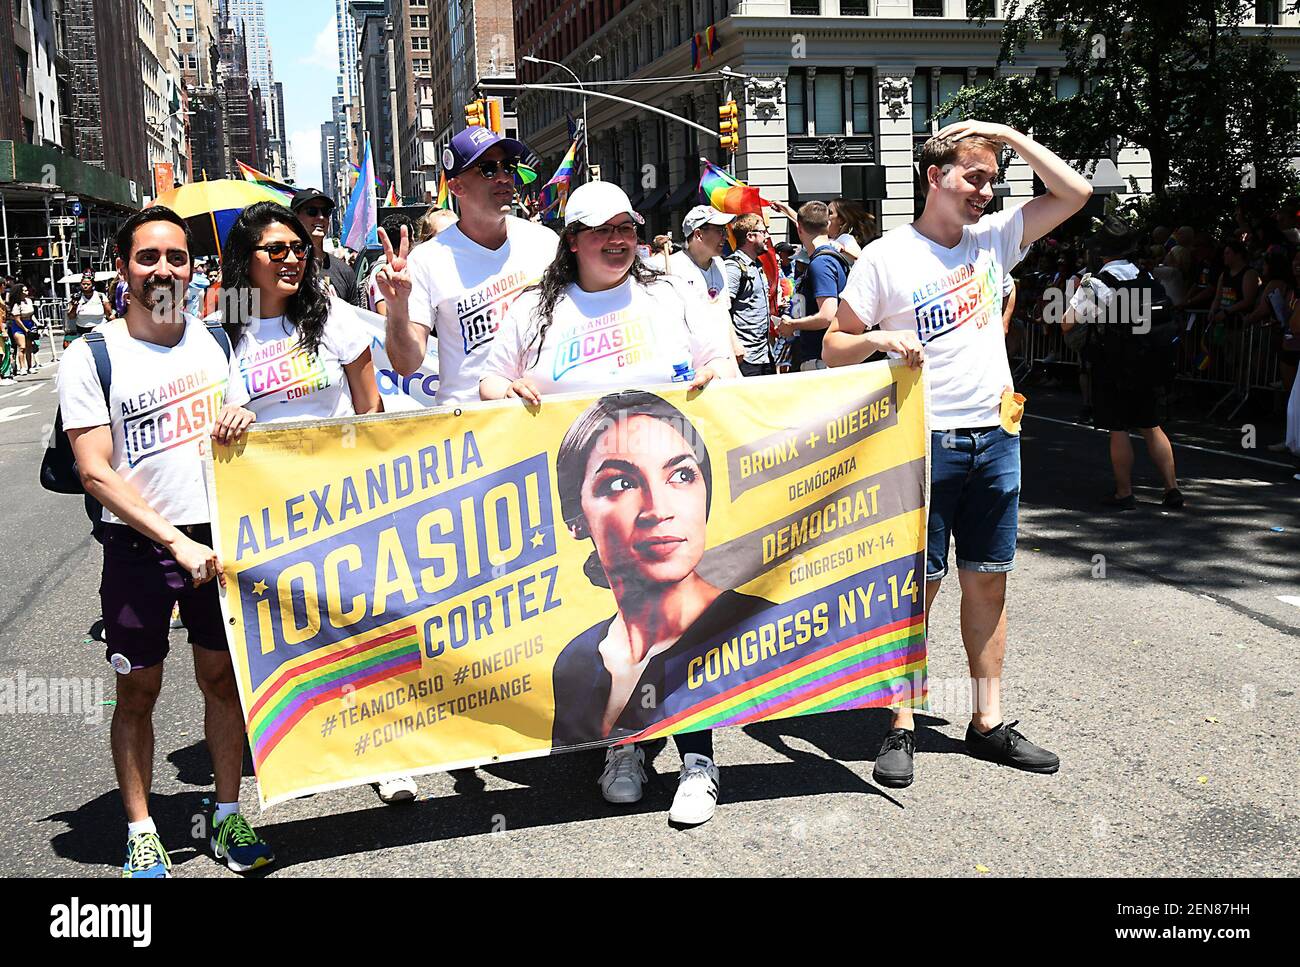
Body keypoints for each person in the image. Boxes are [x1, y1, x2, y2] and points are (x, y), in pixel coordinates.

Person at [824, 120, 1093, 788]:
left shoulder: (995, 237)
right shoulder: (888, 257)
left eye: (993, 181)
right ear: (934, 176)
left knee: (989, 578)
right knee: (920, 589)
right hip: (922, 441)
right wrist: (881, 341)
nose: (986, 190)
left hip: (997, 437)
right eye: (975, 176)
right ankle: (900, 722)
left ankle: (986, 722)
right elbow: (833, 343)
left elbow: (1077, 190)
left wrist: (1005, 135)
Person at [475, 180, 733, 825]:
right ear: (574, 241)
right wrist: (501, 393)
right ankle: (626, 747)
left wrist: (714, 374)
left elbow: (723, 360)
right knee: (626, 631)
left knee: (687, 623)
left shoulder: (670, 293)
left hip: (671, 478)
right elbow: (484, 378)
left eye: (627, 227)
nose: (618, 241)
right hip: (604, 497)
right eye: (601, 230)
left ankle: (700, 761)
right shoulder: (538, 309)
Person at [58, 206, 273, 877]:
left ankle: (227, 814)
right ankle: (143, 827)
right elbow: (95, 470)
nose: (164, 270)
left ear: (192, 267)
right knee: (137, 694)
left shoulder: (216, 342)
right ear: (123, 267)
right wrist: (174, 541)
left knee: (221, 681)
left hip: (220, 540)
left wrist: (243, 414)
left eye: (176, 257)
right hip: (140, 550)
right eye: (148, 257)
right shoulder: (89, 354)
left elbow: (245, 432)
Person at [221, 202, 411, 803]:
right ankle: (305, 749)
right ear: (243, 261)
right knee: (286, 629)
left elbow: (369, 405)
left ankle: (383, 751)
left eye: (299, 248)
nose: (292, 259)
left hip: (339, 497)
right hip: (262, 507)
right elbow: (192, 390)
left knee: (361, 620)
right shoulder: (227, 319)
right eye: (276, 250)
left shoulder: (328, 315)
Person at [548, 392, 772, 794]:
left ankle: (698, 763)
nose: (657, 509)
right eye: (620, 483)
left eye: (681, 476)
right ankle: (622, 750)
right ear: (575, 517)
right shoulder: (575, 662)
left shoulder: (759, 622)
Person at [380, 126, 557, 403]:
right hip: (469, 428)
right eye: (488, 169)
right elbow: (407, 364)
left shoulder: (545, 242)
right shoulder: (427, 260)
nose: (503, 178)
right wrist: (397, 308)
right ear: (456, 186)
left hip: (542, 414)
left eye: (508, 167)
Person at [1063, 219, 1183, 510]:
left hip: (1114, 364)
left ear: (1101, 253)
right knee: (1151, 425)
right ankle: (1172, 489)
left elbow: (1067, 323)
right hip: (1149, 361)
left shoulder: (1096, 282)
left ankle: (1124, 492)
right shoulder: (1147, 277)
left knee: (1118, 429)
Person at [663, 206, 743, 373]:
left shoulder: (720, 264)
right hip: (695, 367)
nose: (726, 237)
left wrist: (735, 343)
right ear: (698, 234)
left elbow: (723, 309)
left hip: (725, 362)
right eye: (720, 231)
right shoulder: (671, 268)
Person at [778, 202, 852, 372]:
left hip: (820, 361)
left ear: (799, 230)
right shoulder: (832, 257)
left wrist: (793, 324)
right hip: (827, 358)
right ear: (827, 224)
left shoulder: (821, 263)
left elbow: (827, 315)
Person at [723, 213, 778, 376]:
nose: (767, 236)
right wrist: (734, 345)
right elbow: (722, 309)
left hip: (765, 355)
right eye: (763, 231)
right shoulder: (734, 267)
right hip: (746, 358)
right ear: (750, 236)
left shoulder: (757, 265)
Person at [291, 189, 360, 305]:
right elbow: (251, 314)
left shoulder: (345, 271)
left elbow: (355, 319)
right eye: (312, 211)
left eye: (325, 212)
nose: (321, 217)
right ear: (295, 217)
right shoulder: (281, 266)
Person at [366, 213, 417, 315]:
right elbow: (383, 313)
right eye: (413, 236)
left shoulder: (407, 268)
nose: (414, 240)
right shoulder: (383, 270)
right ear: (409, 240)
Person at [66, 271, 114, 348]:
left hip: (99, 329)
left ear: (93, 285)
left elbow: (109, 314)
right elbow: (71, 316)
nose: (85, 286)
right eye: (83, 284)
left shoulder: (100, 296)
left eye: (88, 284)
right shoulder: (76, 298)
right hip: (82, 331)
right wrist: (74, 306)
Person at [828, 198, 877, 265]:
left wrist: (842, 249)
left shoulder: (845, 238)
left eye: (829, 213)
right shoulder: (833, 240)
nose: (825, 215)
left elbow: (859, 257)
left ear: (841, 220)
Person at [6, 284, 37, 376]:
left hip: (29, 323)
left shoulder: (29, 301)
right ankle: (22, 367)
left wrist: (38, 323)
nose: (26, 292)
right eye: (24, 291)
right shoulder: (16, 304)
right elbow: (17, 319)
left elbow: (32, 315)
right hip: (18, 325)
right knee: (22, 347)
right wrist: (25, 329)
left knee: (29, 347)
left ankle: (30, 366)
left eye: (26, 290)